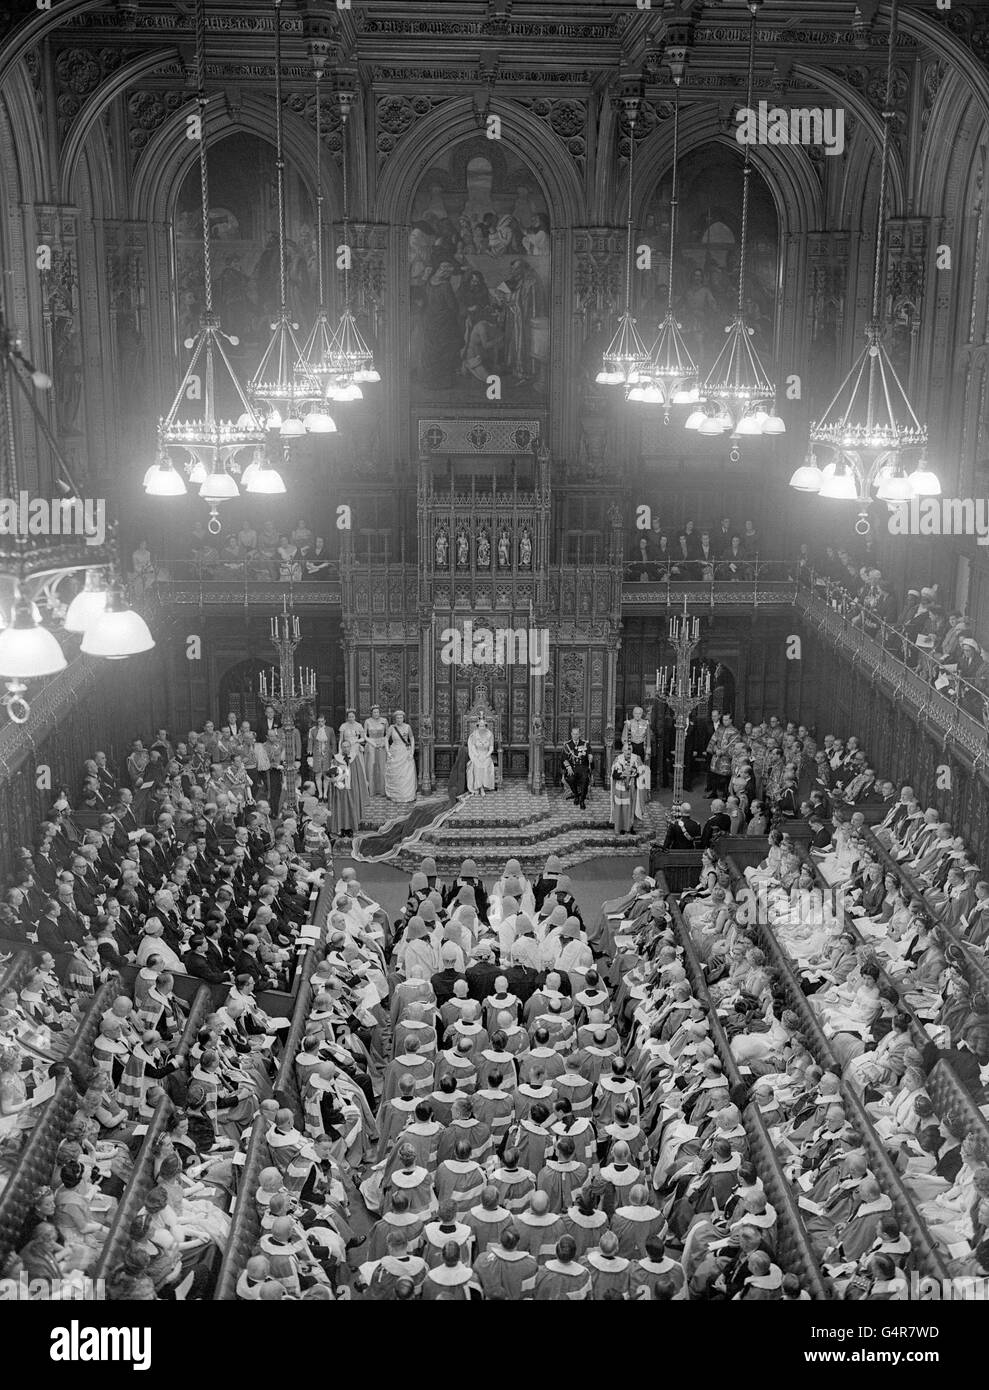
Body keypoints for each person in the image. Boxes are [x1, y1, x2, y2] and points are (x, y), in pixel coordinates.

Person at [385, 711, 417, 803]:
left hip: (405, 752)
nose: (399, 719)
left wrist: (412, 752)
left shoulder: (407, 727)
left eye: (401, 718)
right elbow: (386, 738)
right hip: (395, 751)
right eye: (397, 718)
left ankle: (407, 795)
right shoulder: (392, 728)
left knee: (406, 774)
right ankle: (395, 795)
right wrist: (388, 752)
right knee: (396, 774)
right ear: (395, 719)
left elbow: (412, 738)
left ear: (403, 718)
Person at [562, 726, 593, 809]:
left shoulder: (585, 744)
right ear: (571, 734)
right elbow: (564, 758)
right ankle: (576, 795)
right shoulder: (567, 745)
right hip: (572, 767)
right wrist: (568, 767)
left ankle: (582, 800)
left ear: (579, 734)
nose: (575, 736)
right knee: (570, 778)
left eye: (577, 734)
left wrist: (590, 756)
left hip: (583, 767)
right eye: (573, 734)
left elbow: (589, 753)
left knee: (585, 779)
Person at [467, 717, 496, 797]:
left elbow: (491, 747)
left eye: (483, 726)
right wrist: (477, 755)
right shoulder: (474, 734)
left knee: (486, 765)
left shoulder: (490, 734)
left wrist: (487, 755)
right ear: (477, 726)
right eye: (480, 726)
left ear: (486, 726)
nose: (482, 727)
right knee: (477, 765)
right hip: (477, 754)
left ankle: (485, 785)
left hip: (486, 754)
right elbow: (472, 746)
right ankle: (480, 787)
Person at [364, 706, 389, 797]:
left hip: (382, 744)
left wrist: (383, 743)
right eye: (374, 712)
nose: (376, 714)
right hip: (371, 744)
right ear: (371, 713)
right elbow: (364, 735)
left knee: (382, 766)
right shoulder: (367, 721)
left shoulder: (384, 721)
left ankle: (382, 790)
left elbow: (387, 734)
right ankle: (372, 790)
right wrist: (372, 743)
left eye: (377, 712)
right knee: (371, 766)